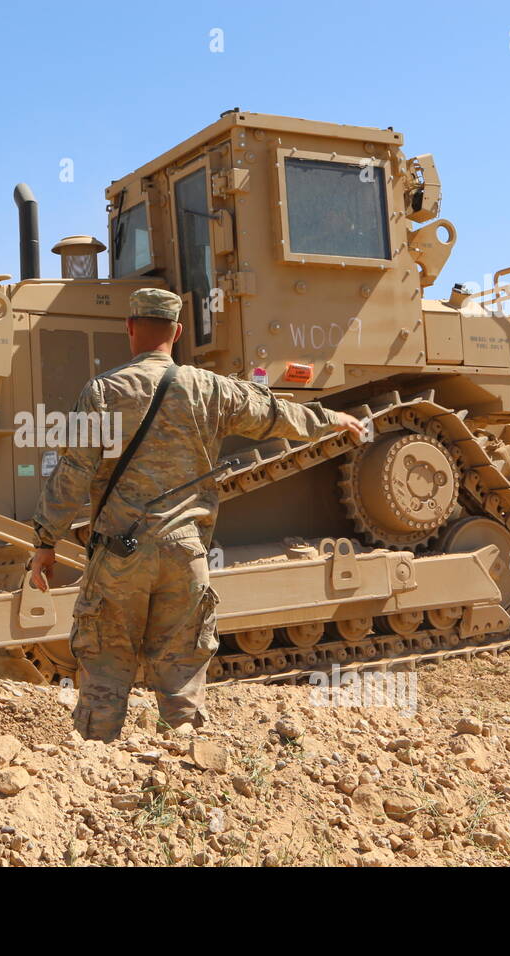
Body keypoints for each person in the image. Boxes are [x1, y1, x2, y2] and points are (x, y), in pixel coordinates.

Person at [28, 288, 365, 741]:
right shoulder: (210, 388)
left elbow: (73, 472)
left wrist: (45, 542)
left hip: (119, 556)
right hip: (186, 554)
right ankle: (182, 759)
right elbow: (273, 414)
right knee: (182, 671)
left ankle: (97, 760)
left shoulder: (104, 390)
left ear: (130, 328)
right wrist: (332, 419)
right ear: (178, 331)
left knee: (106, 665)